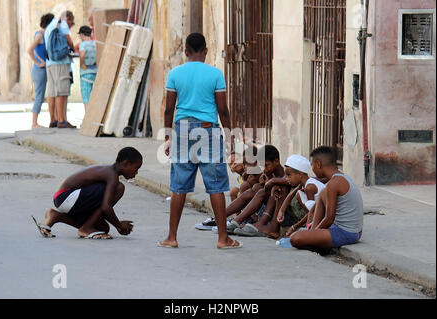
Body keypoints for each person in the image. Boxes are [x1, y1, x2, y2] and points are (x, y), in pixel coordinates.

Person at [159, 33, 241, 249]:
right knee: (216, 187)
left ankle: (172, 237)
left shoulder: (175, 73)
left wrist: (168, 137)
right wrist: (230, 135)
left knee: (179, 186)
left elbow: (169, 108)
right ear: (206, 51)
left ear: (185, 52)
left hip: (182, 130)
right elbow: (222, 109)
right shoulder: (215, 74)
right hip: (208, 131)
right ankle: (223, 238)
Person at [31, 147, 142, 240]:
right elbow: (106, 207)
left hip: (64, 199)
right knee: (119, 188)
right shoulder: (111, 175)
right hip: (67, 196)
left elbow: (104, 208)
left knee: (102, 228)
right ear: (126, 164)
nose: (136, 173)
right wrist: (119, 226)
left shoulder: (109, 171)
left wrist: (116, 224)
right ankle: (86, 229)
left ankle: (56, 216)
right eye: (136, 168)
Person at [290, 146, 364, 251]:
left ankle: (318, 244)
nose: (312, 169)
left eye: (312, 165)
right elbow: (320, 205)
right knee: (322, 194)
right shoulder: (340, 178)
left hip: (347, 232)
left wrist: (313, 235)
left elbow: (329, 218)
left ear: (319, 164)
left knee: (295, 238)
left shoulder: (334, 183)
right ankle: (315, 237)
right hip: (355, 231)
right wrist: (313, 231)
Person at [225, 145, 285, 234]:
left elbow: (280, 185)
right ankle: (224, 218)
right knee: (254, 190)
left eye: (266, 165)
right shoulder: (267, 173)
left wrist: (270, 182)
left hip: (280, 213)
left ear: (276, 161)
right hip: (268, 207)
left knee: (260, 190)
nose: (264, 169)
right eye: (262, 166)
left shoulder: (284, 174)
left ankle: (260, 224)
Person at [277, 154, 325, 238]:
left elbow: (312, 214)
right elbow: (290, 195)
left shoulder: (309, 188)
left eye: (289, 175)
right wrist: (281, 211)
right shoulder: (304, 183)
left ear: (299, 174)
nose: (286, 179)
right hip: (316, 213)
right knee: (298, 194)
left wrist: (294, 227)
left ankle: (310, 230)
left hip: (322, 217)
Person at [44, 10, 76, 129]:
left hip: (50, 63)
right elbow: (69, 40)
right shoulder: (62, 24)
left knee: (52, 92)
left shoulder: (49, 27)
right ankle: (62, 120)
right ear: (67, 18)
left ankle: (53, 119)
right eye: (71, 24)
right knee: (61, 91)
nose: (70, 26)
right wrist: (73, 49)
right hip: (60, 62)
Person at [27, 13, 54, 129]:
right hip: (39, 70)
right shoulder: (40, 35)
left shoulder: (44, 34)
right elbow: (30, 50)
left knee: (43, 95)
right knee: (39, 96)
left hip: (43, 69)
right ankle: (34, 123)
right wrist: (38, 62)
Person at [78, 26, 97, 110]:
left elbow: (82, 54)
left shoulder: (82, 44)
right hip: (95, 72)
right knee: (94, 96)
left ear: (82, 35)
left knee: (86, 96)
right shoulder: (95, 43)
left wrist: (82, 64)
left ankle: (88, 116)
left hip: (85, 73)